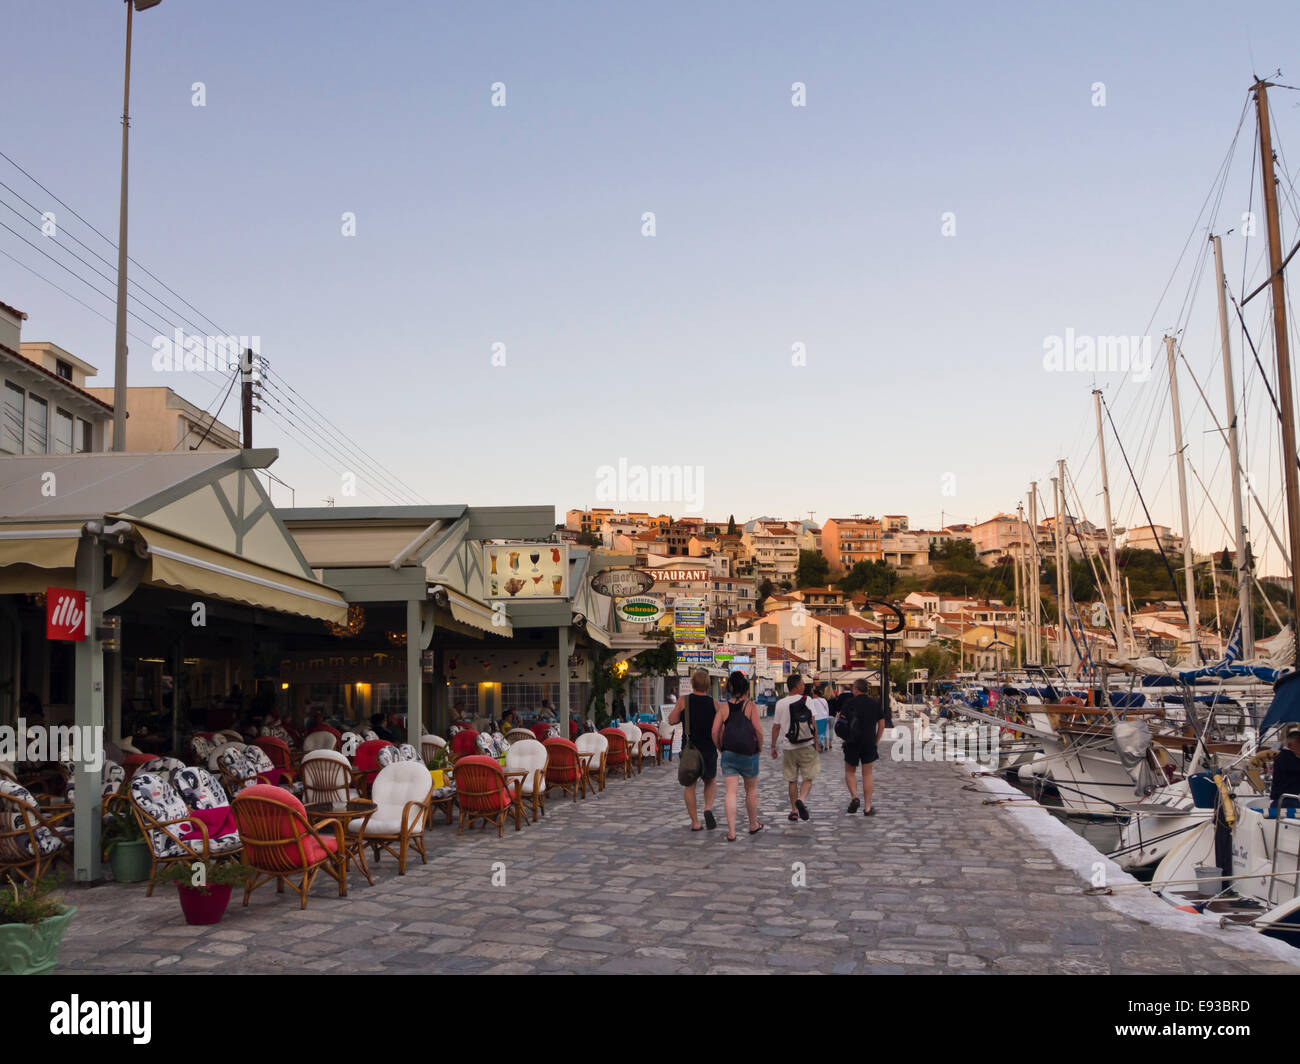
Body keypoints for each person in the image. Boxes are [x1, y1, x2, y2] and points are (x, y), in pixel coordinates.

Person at [712, 670, 764, 840]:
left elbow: (714, 731)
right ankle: (753, 824)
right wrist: (760, 747)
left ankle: (732, 831)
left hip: (729, 753)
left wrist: (720, 747)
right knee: (751, 790)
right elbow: (758, 730)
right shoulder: (750, 706)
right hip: (749, 754)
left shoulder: (723, 707)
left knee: (731, 792)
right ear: (746, 688)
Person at [669, 669, 720, 831]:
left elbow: (671, 720)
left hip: (690, 750)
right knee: (710, 781)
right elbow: (720, 727)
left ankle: (696, 823)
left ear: (692, 684)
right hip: (709, 748)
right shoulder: (715, 703)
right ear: (708, 685)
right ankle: (708, 808)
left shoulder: (684, 701)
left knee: (689, 785)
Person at [771, 673, 819, 821]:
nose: (804, 686)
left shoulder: (780, 703)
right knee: (808, 777)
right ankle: (801, 800)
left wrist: (773, 746)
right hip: (806, 744)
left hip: (789, 746)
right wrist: (817, 742)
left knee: (792, 780)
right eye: (803, 684)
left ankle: (794, 811)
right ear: (797, 686)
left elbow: (776, 727)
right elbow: (813, 722)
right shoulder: (807, 700)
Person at [838, 679, 886, 816]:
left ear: (856, 689)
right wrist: (876, 741)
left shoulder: (849, 703)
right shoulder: (874, 704)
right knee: (867, 774)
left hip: (852, 741)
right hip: (869, 742)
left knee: (850, 771)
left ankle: (855, 797)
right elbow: (882, 724)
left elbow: (841, 723)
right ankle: (868, 807)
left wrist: (844, 737)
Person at [1271, 726, 1300, 809]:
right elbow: (1295, 769)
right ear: (1290, 745)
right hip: (1285, 802)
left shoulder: (1285, 756)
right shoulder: (1285, 758)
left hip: (1287, 800)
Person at [810, 683, 831, 752]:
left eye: (813, 694)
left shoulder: (812, 701)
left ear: (815, 694)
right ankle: (823, 745)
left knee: (817, 733)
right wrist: (827, 717)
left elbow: (811, 711)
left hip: (816, 718)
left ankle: (819, 746)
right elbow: (827, 709)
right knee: (823, 732)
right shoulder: (824, 700)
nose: (812, 695)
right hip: (824, 718)